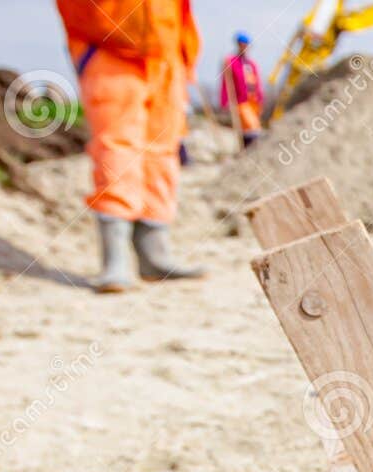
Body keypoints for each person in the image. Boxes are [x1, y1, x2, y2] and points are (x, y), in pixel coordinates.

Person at [55, 0, 205, 292]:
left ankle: (155, 252)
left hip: (166, 51)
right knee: (117, 147)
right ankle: (115, 261)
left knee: (163, 149)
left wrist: (185, 55)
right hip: (109, 46)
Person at [220, 31, 263, 148]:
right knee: (251, 127)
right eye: (242, 45)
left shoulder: (252, 64)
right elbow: (226, 84)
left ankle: (247, 152)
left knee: (250, 128)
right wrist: (225, 102)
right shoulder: (231, 62)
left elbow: (257, 84)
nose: (245, 48)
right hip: (241, 101)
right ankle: (248, 151)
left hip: (253, 102)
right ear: (238, 45)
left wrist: (260, 100)